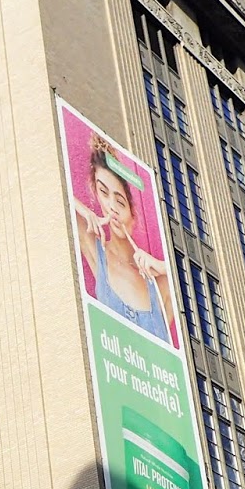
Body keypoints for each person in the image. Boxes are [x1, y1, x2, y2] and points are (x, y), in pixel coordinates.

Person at [72, 136, 180, 345]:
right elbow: (55, 189)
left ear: (133, 213)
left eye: (120, 202)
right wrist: (85, 211)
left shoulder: (160, 283)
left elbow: (190, 287)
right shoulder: (98, 252)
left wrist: (161, 266)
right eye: (104, 193)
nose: (112, 207)